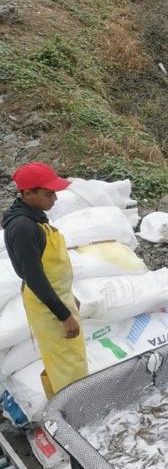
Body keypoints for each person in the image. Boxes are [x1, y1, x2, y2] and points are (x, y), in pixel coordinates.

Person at [2, 162, 88, 399]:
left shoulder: (36, 218)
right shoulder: (22, 227)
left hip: (59, 296)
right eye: (49, 193)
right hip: (47, 304)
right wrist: (63, 314)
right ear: (28, 193)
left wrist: (70, 297)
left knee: (70, 358)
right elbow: (34, 277)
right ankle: (71, 413)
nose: (55, 199)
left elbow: (50, 269)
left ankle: (71, 404)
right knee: (66, 363)